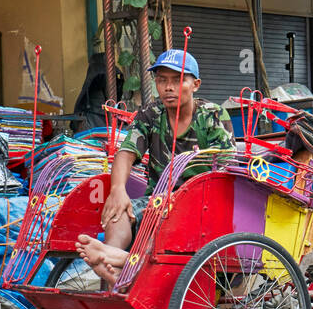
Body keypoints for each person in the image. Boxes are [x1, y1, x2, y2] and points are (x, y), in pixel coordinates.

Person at [77, 50, 234, 285]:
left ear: (195, 84)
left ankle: (115, 260)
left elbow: (224, 168)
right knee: (117, 213)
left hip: (201, 205)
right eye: (162, 80)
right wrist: (118, 190)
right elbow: (127, 151)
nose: (168, 87)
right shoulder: (151, 114)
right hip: (158, 201)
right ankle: (114, 267)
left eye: (177, 80)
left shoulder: (212, 116)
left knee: (161, 222)